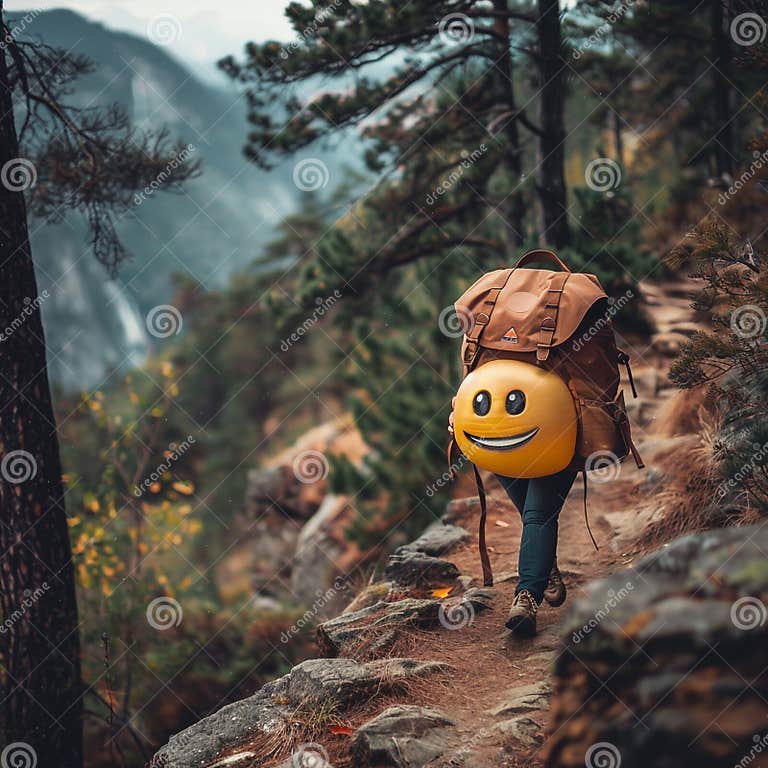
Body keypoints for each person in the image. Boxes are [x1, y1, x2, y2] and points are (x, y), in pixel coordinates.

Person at [449, 398, 574, 637]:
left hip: (558, 434)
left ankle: (527, 598)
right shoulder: (479, 356)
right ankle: (543, 561)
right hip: (500, 441)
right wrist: (461, 409)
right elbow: (476, 371)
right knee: (531, 512)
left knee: (538, 515)